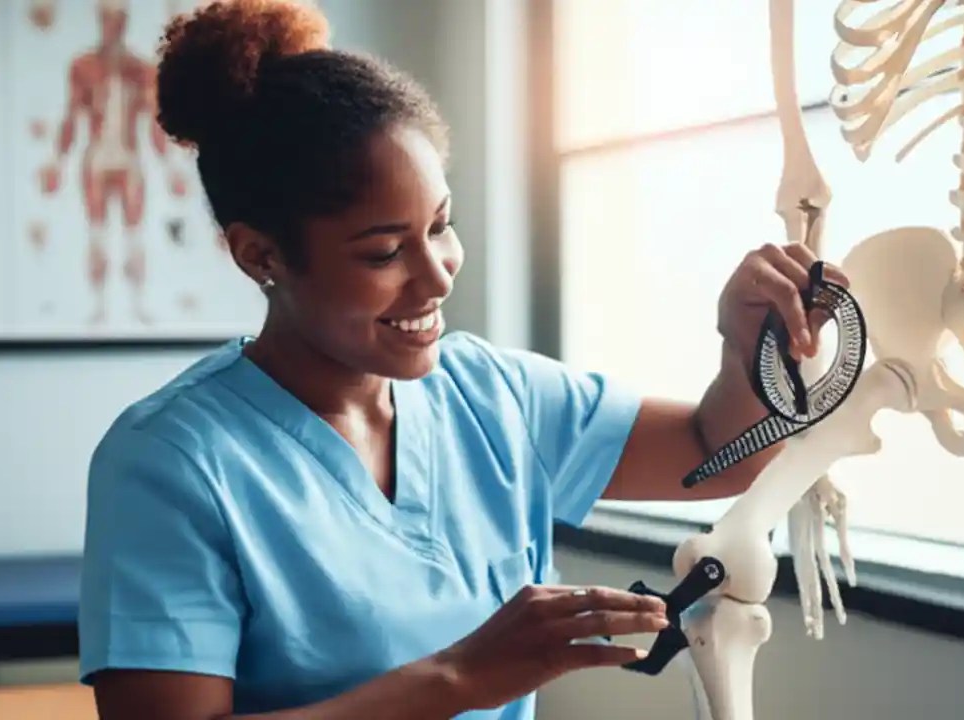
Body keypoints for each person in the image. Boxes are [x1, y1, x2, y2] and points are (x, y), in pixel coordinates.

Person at [77, 1, 847, 718]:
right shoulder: (171, 464)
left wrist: (750, 347)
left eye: (441, 226)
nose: (440, 271)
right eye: (385, 250)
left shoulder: (491, 393)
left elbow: (718, 453)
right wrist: (462, 677)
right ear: (260, 255)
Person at [39, 0, 186, 326]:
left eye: (118, 20)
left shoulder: (142, 70)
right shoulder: (83, 67)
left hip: (128, 157)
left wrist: (170, 170)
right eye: (107, 20)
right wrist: (56, 164)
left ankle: (136, 304)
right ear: (99, 21)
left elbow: (153, 127)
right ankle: (99, 305)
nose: (112, 27)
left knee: (133, 234)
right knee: (98, 234)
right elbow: (71, 118)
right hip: (96, 156)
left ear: (124, 22)